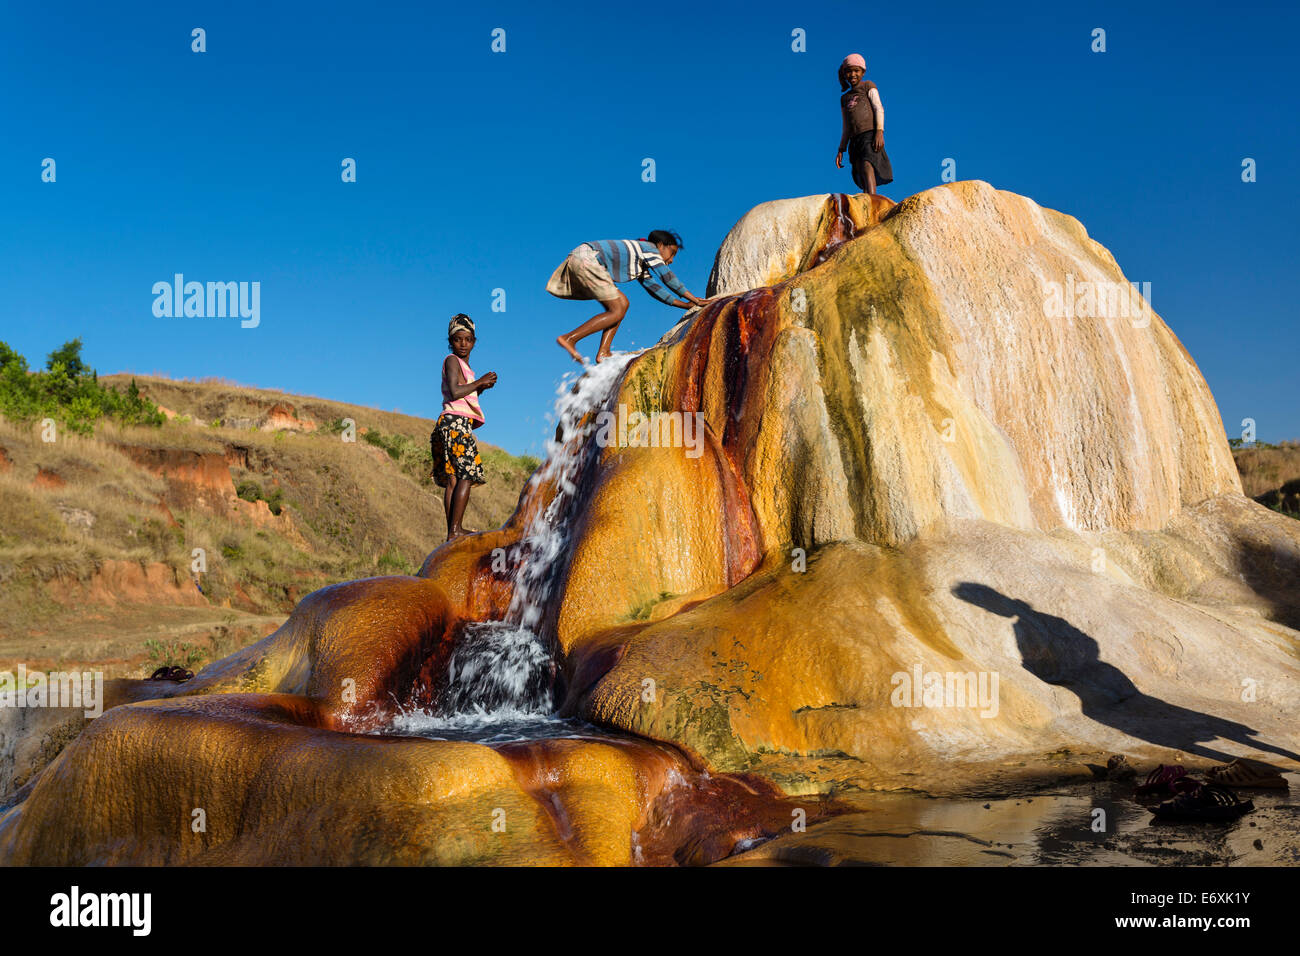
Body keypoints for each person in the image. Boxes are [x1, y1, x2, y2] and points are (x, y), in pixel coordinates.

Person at [548, 230, 709, 364]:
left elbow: (655, 289)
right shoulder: (650, 249)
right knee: (617, 308)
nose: (672, 260)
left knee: (623, 304)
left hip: (584, 259)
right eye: (672, 253)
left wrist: (685, 305)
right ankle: (570, 338)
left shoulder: (641, 262)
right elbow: (667, 278)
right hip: (587, 259)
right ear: (661, 245)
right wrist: (695, 299)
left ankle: (604, 352)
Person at [431, 313, 496, 540]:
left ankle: (451, 532)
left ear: (474, 342)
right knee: (466, 475)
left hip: (451, 423)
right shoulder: (451, 360)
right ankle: (456, 529)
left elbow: (463, 395)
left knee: (453, 480)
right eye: (459, 339)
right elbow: (456, 391)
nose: (463, 344)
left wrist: (482, 387)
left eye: (468, 339)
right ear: (451, 341)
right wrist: (479, 382)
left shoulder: (464, 367)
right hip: (455, 424)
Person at [835, 53, 894, 195]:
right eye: (849, 71)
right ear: (844, 74)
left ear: (863, 72)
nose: (852, 74)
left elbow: (878, 108)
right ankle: (866, 197)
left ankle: (872, 199)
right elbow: (846, 126)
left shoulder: (868, 86)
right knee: (860, 168)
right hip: (855, 140)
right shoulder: (845, 98)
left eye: (856, 70)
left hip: (869, 135)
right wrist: (841, 149)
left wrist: (879, 131)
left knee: (868, 164)